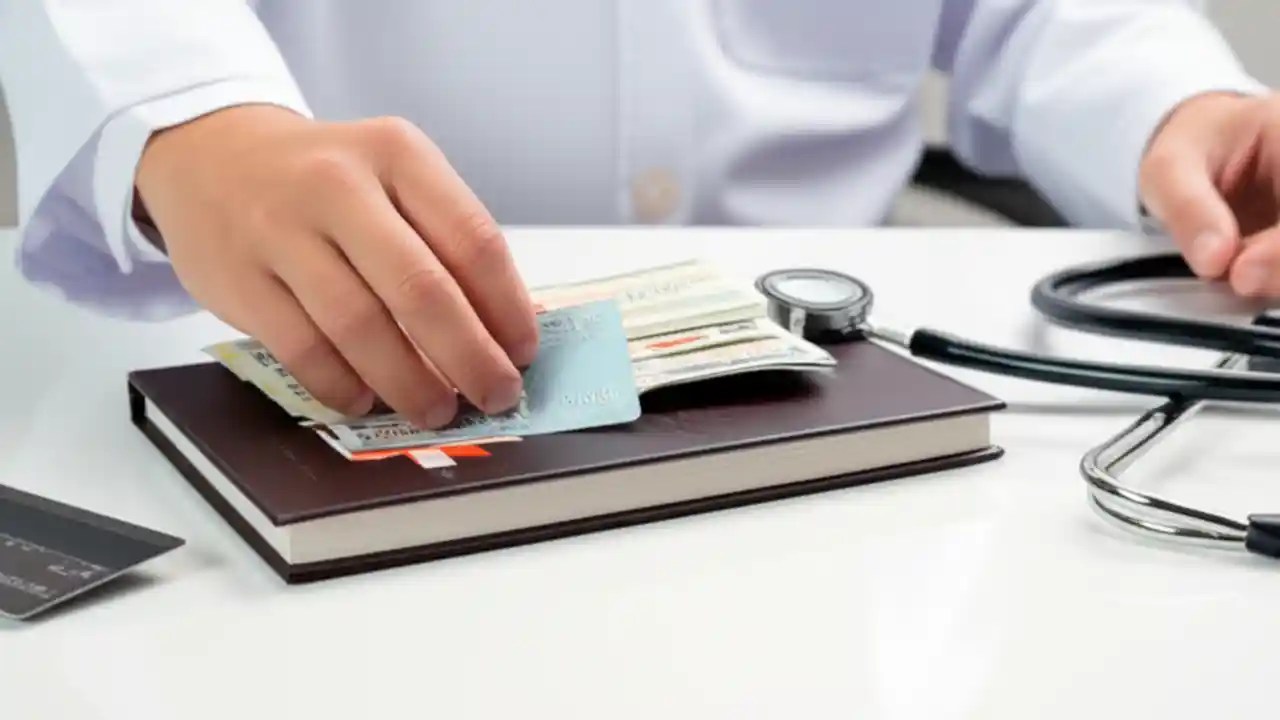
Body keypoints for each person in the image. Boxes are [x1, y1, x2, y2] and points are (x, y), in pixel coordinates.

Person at [1, 1, 1277, 430]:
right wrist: (182, 116)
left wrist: (1172, 107)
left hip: (825, 418)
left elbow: (1034, 14)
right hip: (339, 378)